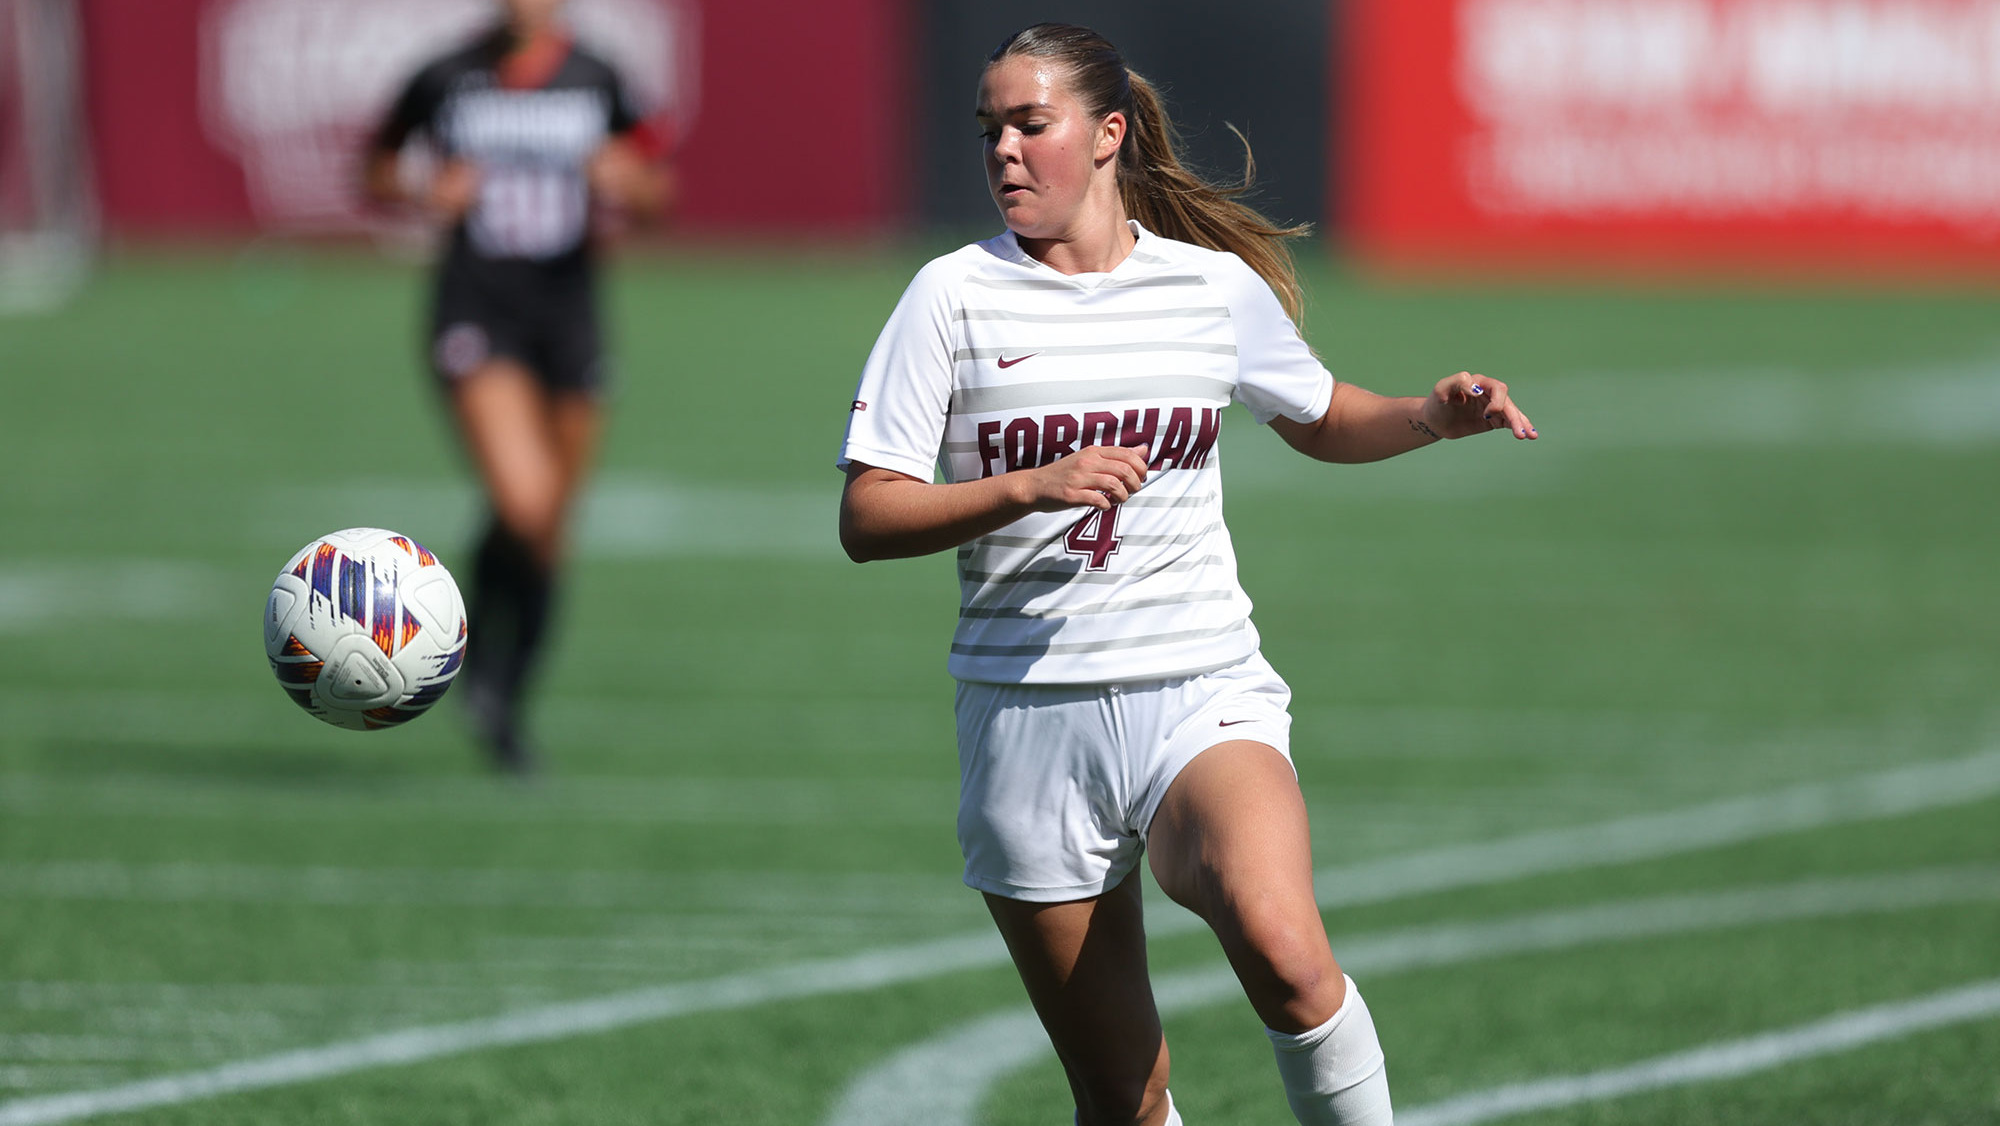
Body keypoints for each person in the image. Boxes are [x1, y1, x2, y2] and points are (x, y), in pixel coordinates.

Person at [837, 23, 1536, 1126]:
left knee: (1286, 952)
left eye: (1031, 124)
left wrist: (1425, 417)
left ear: (1107, 133)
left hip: (1196, 687)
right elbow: (867, 515)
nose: (1004, 153)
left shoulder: (1206, 288)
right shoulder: (949, 296)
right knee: (1123, 1094)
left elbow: (1318, 415)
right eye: (989, 131)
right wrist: (1027, 486)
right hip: (1024, 716)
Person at [362, 0, 673, 773]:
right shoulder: (446, 75)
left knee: (547, 531)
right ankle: (466, 647)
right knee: (525, 500)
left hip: (569, 316)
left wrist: (626, 184)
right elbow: (376, 166)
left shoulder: (596, 77)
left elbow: (657, 190)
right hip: (476, 308)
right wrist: (423, 194)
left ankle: (503, 696)